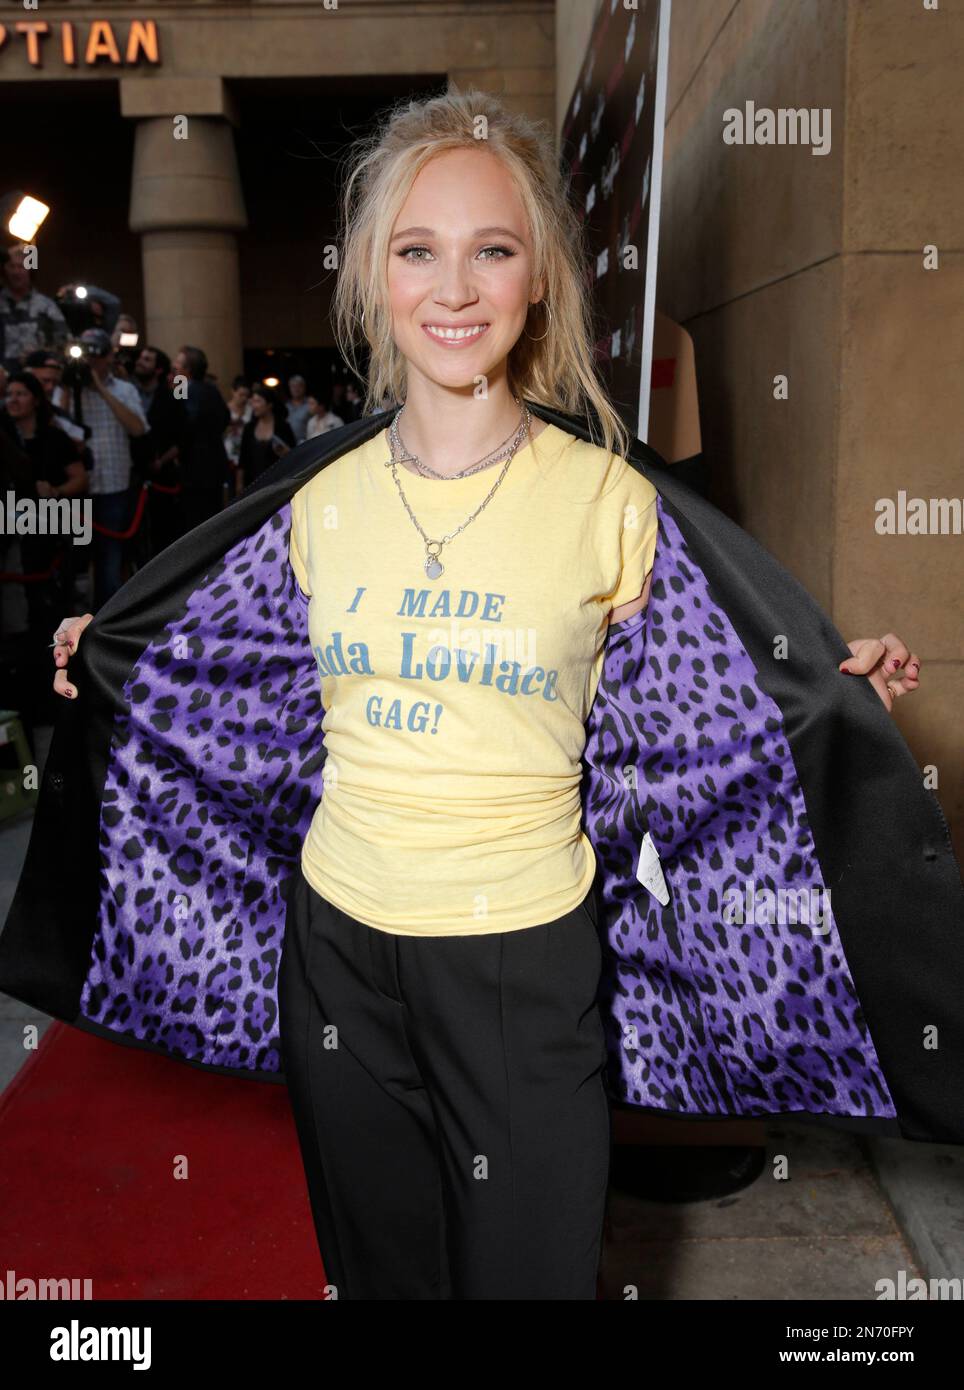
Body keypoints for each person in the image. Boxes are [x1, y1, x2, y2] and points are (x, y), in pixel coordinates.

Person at [39, 90, 950, 1305]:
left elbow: (710, 715)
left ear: (537, 283)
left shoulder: (612, 503)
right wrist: (109, 652)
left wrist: (832, 708)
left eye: (492, 250)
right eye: (417, 251)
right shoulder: (314, 503)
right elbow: (221, 673)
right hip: (338, 957)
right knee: (385, 1283)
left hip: (525, 963)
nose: (453, 288)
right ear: (373, 279)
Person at [0, 371, 85, 634]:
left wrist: (57, 490)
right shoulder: (3, 436)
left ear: (35, 399)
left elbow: (80, 478)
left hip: (46, 530)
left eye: (21, 394)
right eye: (9, 394)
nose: (13, 400)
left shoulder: (55, 437)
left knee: (46, 602)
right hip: (8, 528)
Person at [72, 327, 149, 608]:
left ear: (108, 358)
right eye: (86, 355)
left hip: (115, 483)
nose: (91, 361)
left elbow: (138, 428)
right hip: (78, 487)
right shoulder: (69, 390)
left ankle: (104, 621)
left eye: (97, 356)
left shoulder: (124, 389)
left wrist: (101, 389)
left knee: (110, 557)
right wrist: (74, 385)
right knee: (77, 557)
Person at [131, 345, 186, 555]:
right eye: (141, 358)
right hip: (132, 474)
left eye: (147, 360)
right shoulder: (128, 392)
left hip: (161, 477)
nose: (140, 362)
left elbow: (181, 439)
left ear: (158, 370)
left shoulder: (172, 399)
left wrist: (161, 461)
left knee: (162, 531)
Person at [171, 345, 231, 531]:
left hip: (193, 468)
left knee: (195, 521)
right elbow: (225, 418)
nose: (174, 366)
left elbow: (180, 421)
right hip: (214, 464)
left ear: (187, 369)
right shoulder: (211, 389)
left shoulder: (181, 387)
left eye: (178, 363)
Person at [0, 243, 69, 365]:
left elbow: (64, 343)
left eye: (21, 267)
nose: (16, 272)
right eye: (12, 266)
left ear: (30, 270)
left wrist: (41, 355)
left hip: (36, 378)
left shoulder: (46, 306)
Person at [237, 382, 295, 488]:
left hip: (277, 484)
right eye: (253, 401)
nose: (254, 405)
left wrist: (285, 452)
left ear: (269, 405)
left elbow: (294, 456)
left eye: (258, 401)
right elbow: (243, 460)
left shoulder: (282, 427)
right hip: (252, 484)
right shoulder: (249, 428)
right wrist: (239, 485)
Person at [285, 374, 311, 444]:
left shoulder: (311, 404)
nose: (296, 389)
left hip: (305, 444)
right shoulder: (285, 406)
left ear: (304, 387)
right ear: (289, 388)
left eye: (299, 386)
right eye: (293, 386)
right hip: (287, 445)